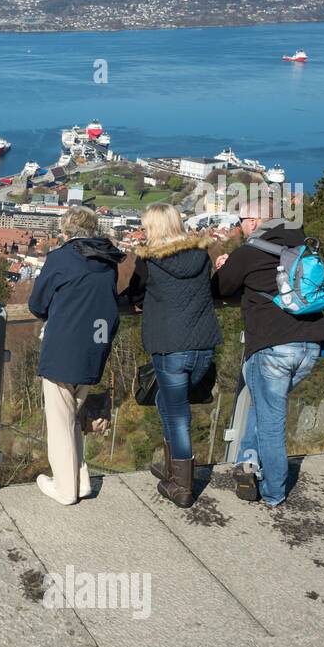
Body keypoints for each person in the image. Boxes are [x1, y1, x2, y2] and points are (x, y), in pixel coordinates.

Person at [214, 210, 324, 507]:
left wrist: (223, 266)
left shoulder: (249, 252)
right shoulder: (302, 245)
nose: (239, 227)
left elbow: (220, 288)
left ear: (254, 221)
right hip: (311, 344)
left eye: (241, 220)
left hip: (273, 347)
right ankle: (248, 462)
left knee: (270, 420)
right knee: (266, 405)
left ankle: (273, 492)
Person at [122, 203, 222, 507]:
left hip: (170, 347)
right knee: (168, 402)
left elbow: (135, 295)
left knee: (178, 415)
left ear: (153, 227)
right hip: (203, 344)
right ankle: (171, 467)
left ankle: (181, 484)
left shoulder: (149, 262)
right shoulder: (201, 256)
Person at [28, 205, 126, 505]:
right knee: (73, 418)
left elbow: (36, 304)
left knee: (60, 422)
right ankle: (80, 480)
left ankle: (66, 489)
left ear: (66, 231)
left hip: (62, 349)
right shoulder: (109, 260)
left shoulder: (61, 258)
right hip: (94, 348)